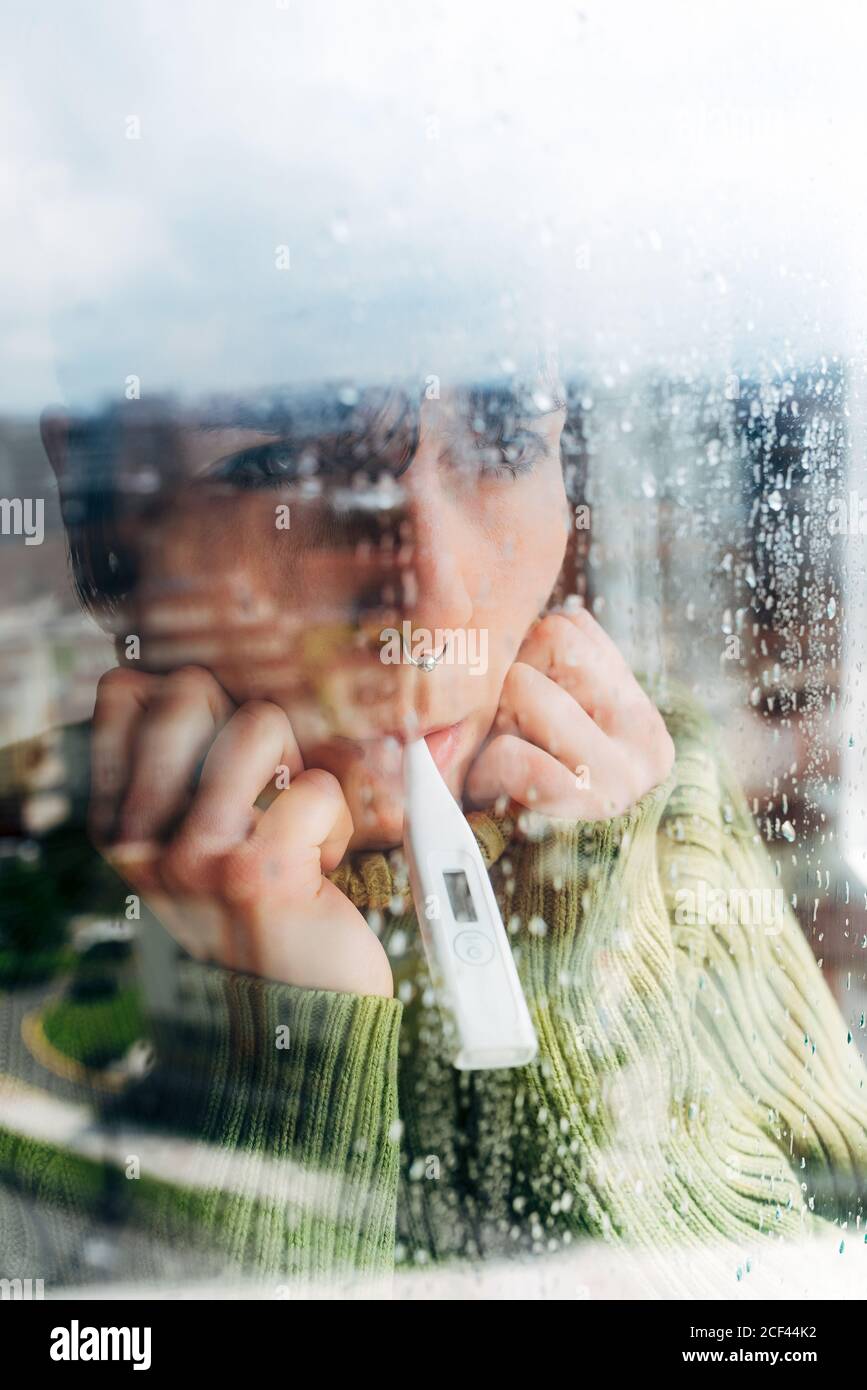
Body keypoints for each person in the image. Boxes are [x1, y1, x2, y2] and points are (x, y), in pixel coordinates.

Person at [1, 375, 865, 1297]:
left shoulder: (656, 799)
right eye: (276, 465)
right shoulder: (30, 917)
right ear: (107, 508)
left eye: (503, 444)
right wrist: (285, 1078)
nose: (429, 606)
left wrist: (586, 987)